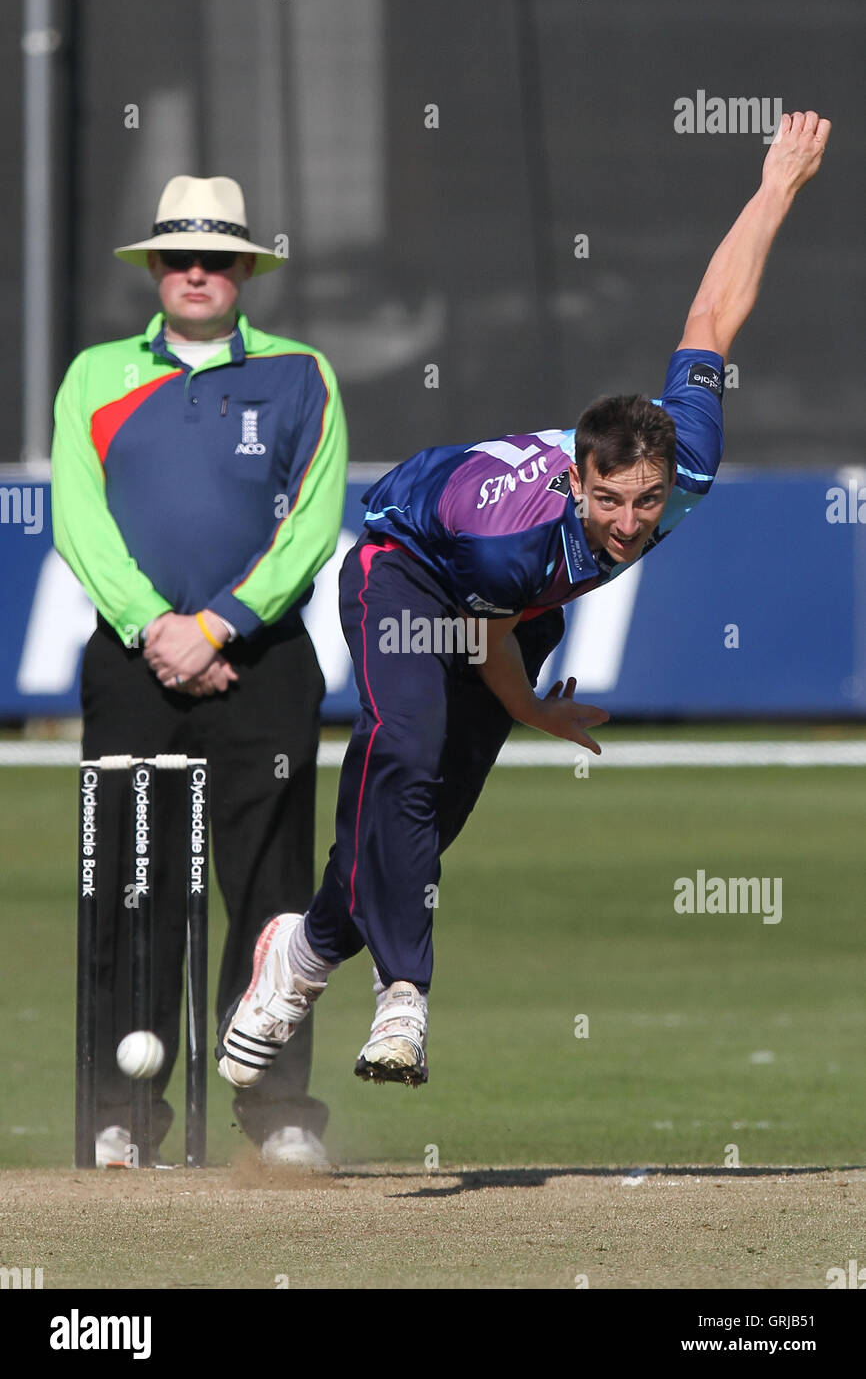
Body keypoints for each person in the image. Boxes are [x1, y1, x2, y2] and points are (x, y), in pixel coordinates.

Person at [217, 111, 830, 1095]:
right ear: (576, 483)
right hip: (411, 568)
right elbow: (490, 635)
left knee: (416, 826)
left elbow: (711, 317)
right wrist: (526, 704)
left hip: (520, 607)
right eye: (610, 501)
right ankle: (402, 994)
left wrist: (774, 190)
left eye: (645, 500)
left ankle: (300, 949)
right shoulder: (507, 541)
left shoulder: (688, 461)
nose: (631, 524)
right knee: (404, 750)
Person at [51, 175, 348, 1165]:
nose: (194, 271)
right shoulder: (95, 373)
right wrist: (156, 628)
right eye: (177, 255)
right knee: (129, 888)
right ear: (153, 268)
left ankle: (274, 1114)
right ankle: (120, 1115)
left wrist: (218, 626)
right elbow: (78, 522)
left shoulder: (302, 372)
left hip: (261, 664)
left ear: (244, 271)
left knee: (272, 894)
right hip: (133, 665)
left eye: (214, 257)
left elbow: (312, 523)